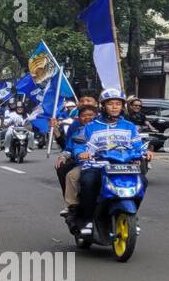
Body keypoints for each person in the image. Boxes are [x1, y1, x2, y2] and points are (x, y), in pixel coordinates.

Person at [74, 89, 144, 222]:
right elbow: (79, 144)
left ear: (122, 106)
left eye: (118, 104)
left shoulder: (129, 126)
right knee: (88, 182)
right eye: (110, 104)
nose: (114, 107)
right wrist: (81, 153)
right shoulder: (90, 126)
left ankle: (130, 213)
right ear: (103, 106)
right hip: (97, 165)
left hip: (124, 166)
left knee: (142, 182)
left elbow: (137, 145)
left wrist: (145, 152)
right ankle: (87, 219)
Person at [56, 99, 99, 224]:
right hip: (87, 165)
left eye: (90, 115)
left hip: (110, 164)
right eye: (84, 116)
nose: (87, 118)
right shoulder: (78, 132)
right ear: (79, 118)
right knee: (71, 176)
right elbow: (69, 148)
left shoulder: (106, 128)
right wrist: (64, 156)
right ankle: (73, 206)